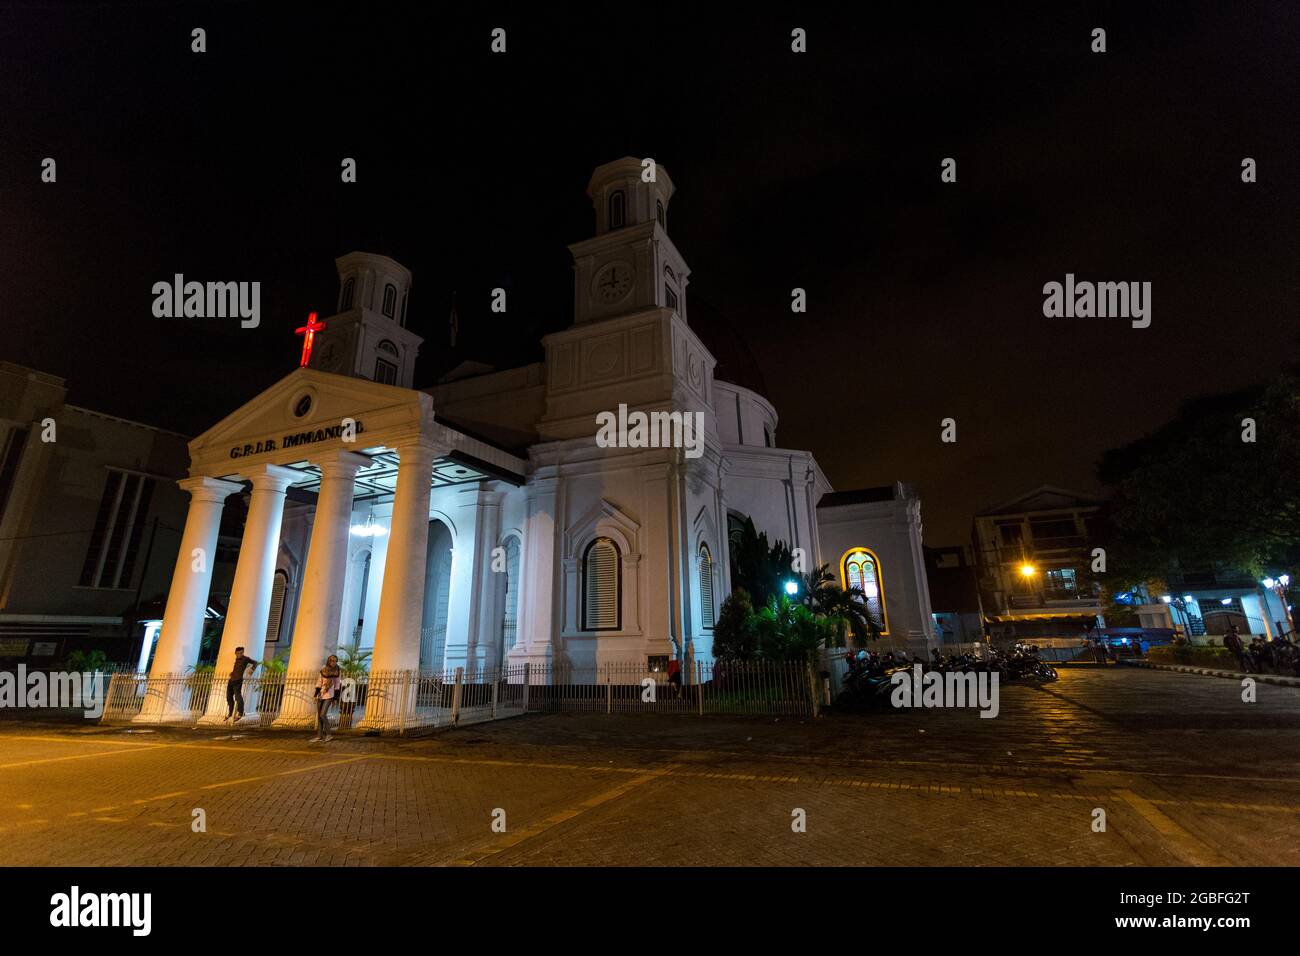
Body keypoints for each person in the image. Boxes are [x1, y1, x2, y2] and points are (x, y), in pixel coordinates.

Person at [311, 655, 342, 742]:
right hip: (321, 694)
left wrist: (336, 698)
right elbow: (319, 682)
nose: (334, 662)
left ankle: (329, 734)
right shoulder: (323, 669)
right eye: (332, 661)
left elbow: (337, 685)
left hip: (330, 695)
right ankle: (319, 736)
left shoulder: (337, 670)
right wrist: (315, 695)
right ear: (329, 661)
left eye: (335, 661)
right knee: (319, 717)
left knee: (322, 714)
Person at [225, 646, 258, 723]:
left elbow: (255, 662)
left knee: (238, 696)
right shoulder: (237, 659)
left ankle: (241, 712)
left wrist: (252, 670)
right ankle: (230, 713)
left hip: (238, 680)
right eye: (239, 653)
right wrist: (232, 673)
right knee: (229, 697)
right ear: (235, 653)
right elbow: (237, 668)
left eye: (241, 652)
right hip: (231, 680)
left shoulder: (245, 658)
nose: (240, 654)